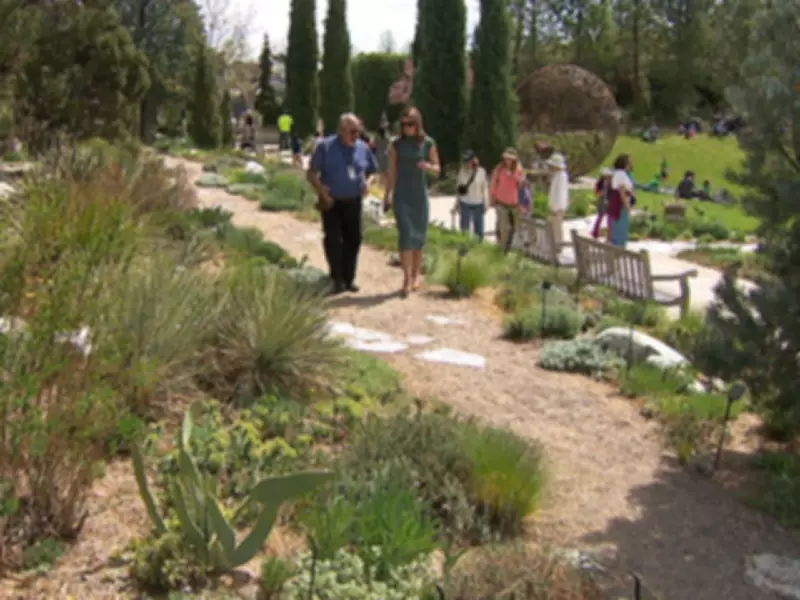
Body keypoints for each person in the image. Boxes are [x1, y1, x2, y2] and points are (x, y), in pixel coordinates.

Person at [307, 113, 378, 295]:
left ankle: (349, 278)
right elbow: (312, 173)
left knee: (354, 239)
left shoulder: (363, 148)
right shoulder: (325, 147)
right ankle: (336, 278)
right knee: (333, 240)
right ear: (341, 130)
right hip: (332, 201)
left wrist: (368, 183)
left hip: (353, 200)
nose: (356, 136)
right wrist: (322, 193)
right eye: (352, 132)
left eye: (358, 132)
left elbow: (373, 172)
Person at [383, 106, 440, 297]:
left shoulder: (428, 143)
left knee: (418, 237)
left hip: (419, 196)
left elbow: (438, 169)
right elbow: (391, 171)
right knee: (406, 235)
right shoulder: (395, 144)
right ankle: (406, 278)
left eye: (411, 124)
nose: (407, 127)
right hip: (402, 195)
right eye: (404, 124)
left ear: (418, 124)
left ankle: (416, 275)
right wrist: (386, 195)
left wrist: (428, 166)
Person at [490, 148, 524, 250]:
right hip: (501, 202)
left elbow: (521, 184)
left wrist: (514, 174)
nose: (508, 161)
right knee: (504, 226)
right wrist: (492, 197)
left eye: (510, 159)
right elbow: (494, 183)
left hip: (513, 204)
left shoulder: (518, 169)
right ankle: (502, 248)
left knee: (513, 227)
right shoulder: (499, 169)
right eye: (506, 159)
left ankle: (508, 247)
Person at [451, 150, 489, 240]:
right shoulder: (462, 172)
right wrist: (456, 205)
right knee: (464, 231)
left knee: (479, 233)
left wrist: (486, 203)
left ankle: (478, 247)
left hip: (478, 204)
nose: (467, 163)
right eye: (465, 161)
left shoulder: (481, 171)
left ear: (474, 160)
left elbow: (485, 188)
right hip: (465, 204)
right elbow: (459, 189)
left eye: (468, 161)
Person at [607, 154, 635, 248]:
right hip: (621, 205)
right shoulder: (621, 174)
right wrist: (627, 206)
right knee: (620, 229)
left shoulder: (620, 174)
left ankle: (618, 246)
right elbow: (621, 192)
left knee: (619, 228)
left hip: (621, 204)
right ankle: (619, 248)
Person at [546, 153, 569, 246]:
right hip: (555, 207)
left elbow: (560, 194)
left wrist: (555, 208)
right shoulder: (557, 175)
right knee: (554, 228)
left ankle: (558, 246)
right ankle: (555, 245)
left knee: (557, 228)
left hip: (558, 208)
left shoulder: (561, 176)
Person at [591, 167, 612, 240]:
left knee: (610, 219)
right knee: (600, 217)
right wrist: (601, 193)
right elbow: (596, 192)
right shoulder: (599, 183)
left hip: (609, 200)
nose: (607, 177)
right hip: (602, 200)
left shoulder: (611, 183)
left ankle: (609, 236)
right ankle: (595, 233)